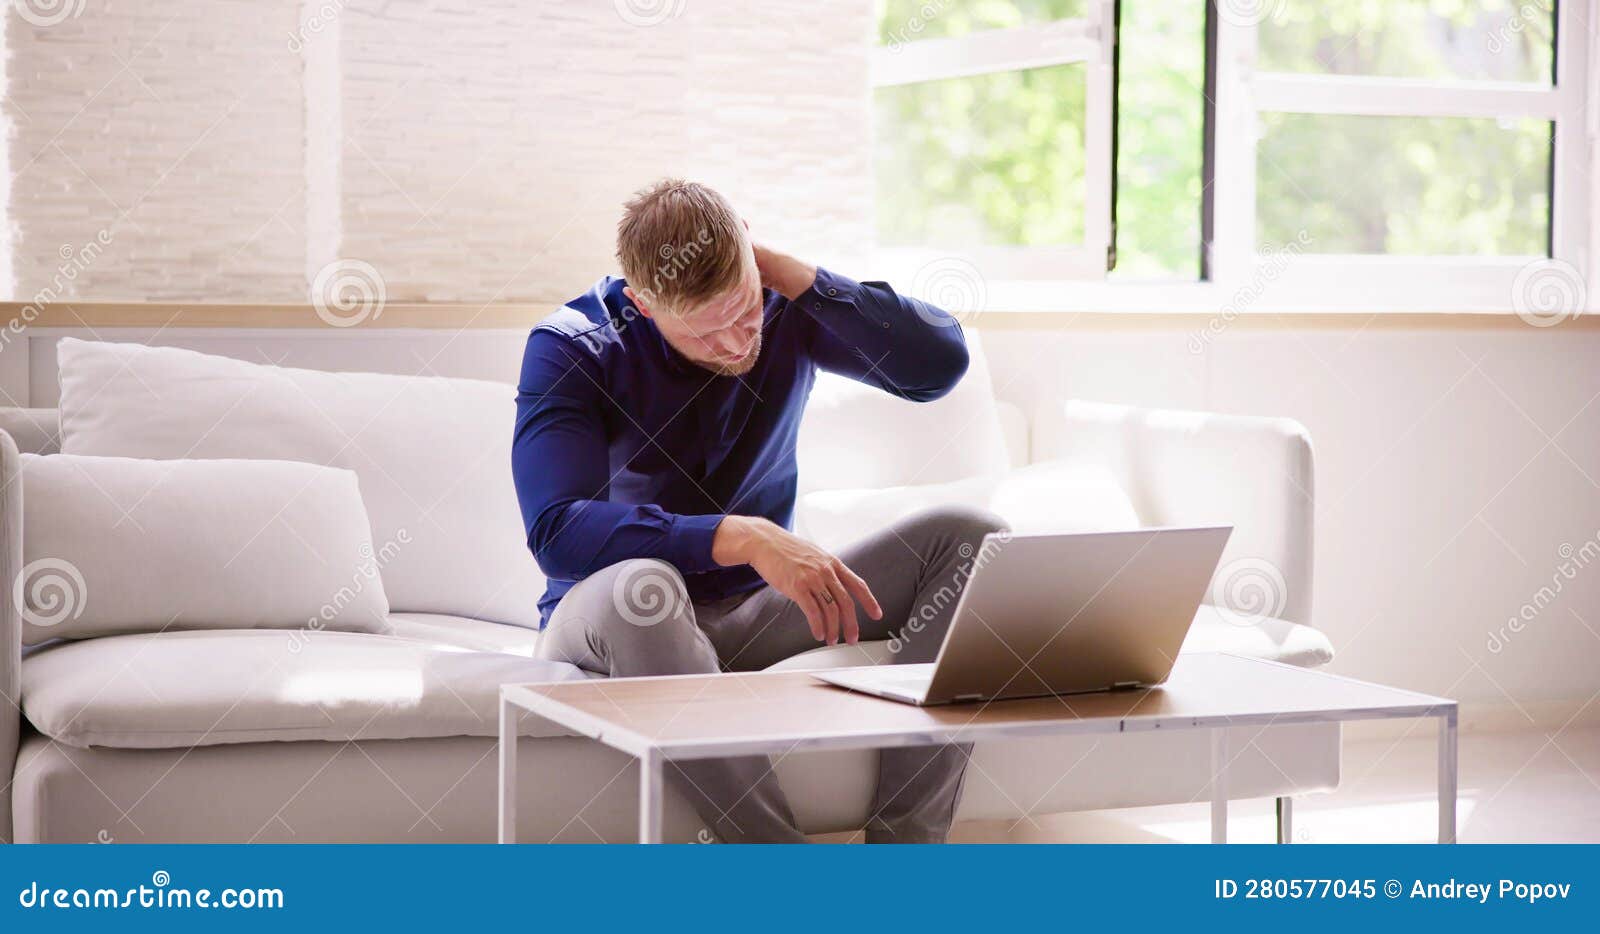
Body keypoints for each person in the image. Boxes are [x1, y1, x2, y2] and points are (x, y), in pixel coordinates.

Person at [511, 178, 1007, 842]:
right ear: (643, 305)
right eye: (705, 332)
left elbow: (938, 367)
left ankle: (905, 858)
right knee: (643, 587)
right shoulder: (574, 344)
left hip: (752, 614)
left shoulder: (785, 303)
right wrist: (739, 536)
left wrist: (797, 278)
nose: (735, 343)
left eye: (745, 311)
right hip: (617, 622)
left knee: (974, 540)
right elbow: (556, 531)